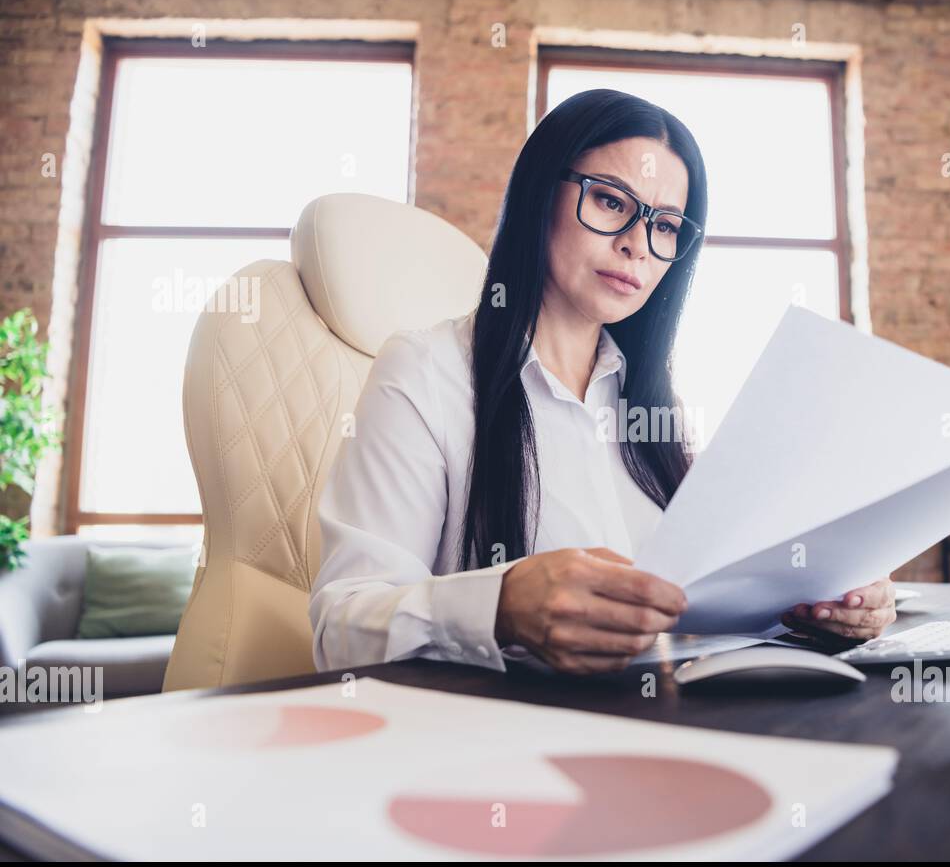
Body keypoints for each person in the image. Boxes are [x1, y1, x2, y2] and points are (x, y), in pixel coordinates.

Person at [309, 88, 895, 676]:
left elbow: (694, 611)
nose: (638, 244)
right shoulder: (426, 372)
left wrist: (824, 599)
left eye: (666, 225)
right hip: (504, 740)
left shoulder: (652, 409)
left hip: (670, 722)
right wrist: (501, 606)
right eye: (612, 202)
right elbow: (342, 627)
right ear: (541, 196)